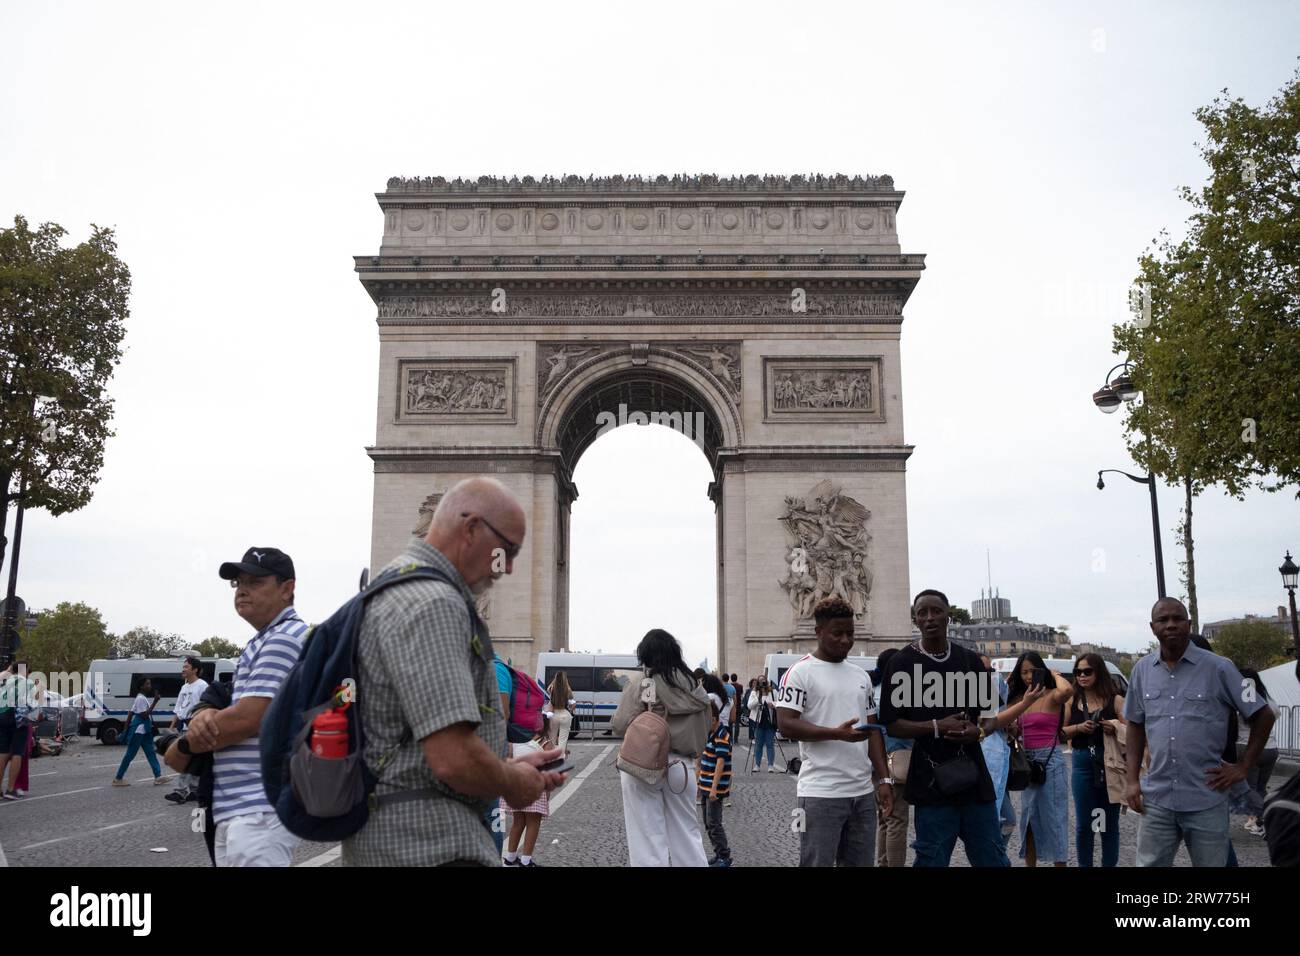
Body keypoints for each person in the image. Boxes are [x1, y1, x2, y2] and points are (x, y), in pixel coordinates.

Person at [342, 479, 565, 867]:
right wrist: (513, 783)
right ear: (472, 528)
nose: (509, 566)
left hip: (396, 831)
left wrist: (503, 767)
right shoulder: (434, 603)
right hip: (428, 843)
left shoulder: (395, 582)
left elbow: (417, 748)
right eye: (507, 549)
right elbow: (450, 759)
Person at [1124, 598, 1275, 867]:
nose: (1171, 625)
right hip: (1157, 798)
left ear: (1188, 623)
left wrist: (1244, 766)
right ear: (1152, 627)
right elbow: (1135, 724)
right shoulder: (1141, 671)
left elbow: (1263, 713)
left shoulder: (1220, 667)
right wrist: (1131, 780)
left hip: (1206, 798)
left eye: (1177, 618)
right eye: (1163, 620)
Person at [184, 546, 307, 866]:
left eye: (255, 582)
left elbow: (249, 718)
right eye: (238, 583)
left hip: (259, 811)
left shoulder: (283, 637)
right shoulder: (263, 639)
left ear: (287, 588)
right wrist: (209, 715)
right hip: (243, 810)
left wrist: (191, 737)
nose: (242, 591)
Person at [879, 590, 1009, 868]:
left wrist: (981, 732)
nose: (929, 618)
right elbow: (892, 725)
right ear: (915, 620)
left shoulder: (970, 661)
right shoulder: (901, 663)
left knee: (993, 857)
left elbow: (990, 715)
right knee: (931, 859)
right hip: (930, 780)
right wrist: (937, 726)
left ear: (948, 615)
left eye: (936, 611)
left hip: (974, 777)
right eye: (922, 613)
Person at [775, 597, 893, 867]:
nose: (845, 640)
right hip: (819, 794)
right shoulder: (798, 673)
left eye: (850, 633)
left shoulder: (861, 676)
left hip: (862, 793)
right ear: (818, 633)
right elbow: (785, 723)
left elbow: (873, 732)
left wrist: (884, 780)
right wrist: (835, 734)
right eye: (837, 633)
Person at [611, 627, 711, 867]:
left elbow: (620, 724)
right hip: (683, 767)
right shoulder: (696, 688)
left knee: (647, 838)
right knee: (687, 836)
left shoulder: (646, 684)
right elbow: (705, 729)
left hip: (644, 764)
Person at [1007, 652, 1072, 867]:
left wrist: (1054, 674)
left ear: (1041, 671)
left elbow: (1067, 690)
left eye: (1032, 671)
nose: (1027, 676)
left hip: (1051, 762)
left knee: (1055, 820)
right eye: (1023, 672)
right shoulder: (1019, 699)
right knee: (1028, 822)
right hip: (1027, 762)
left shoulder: (1052, 695)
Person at [1062, 653, 1125, 867]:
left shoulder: (1115, 701)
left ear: (1099, 673)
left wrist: (1115, 727)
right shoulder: (1072, 700)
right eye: (1078, 672)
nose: (1081, 676)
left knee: (1107, 824)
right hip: (1082, 765)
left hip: (1109, 764)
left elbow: (1135, 734)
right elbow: (1059, 733)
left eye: (1087, 671)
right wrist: (1078, 728)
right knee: (1084, 825)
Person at [872, 648, 911, 866]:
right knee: (896, 820)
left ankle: (883, 864)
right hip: (896, 760)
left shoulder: (874, 689)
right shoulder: (896, 692)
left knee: (885, 820)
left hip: (876, 763)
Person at [1236, 667, 1280, 838]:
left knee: (1249, 789)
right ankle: (1258, 819)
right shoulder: (1268, 700)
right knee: (1261, 788)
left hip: (1250, 748)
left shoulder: (1240, 700)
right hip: (1271, 749)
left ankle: (1267, 818)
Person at [504, 715, 552, 867]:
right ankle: (526, 860)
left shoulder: (515, 741)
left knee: (517, 822)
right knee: (533, 823)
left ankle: (510, 857)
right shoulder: (545, 744)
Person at [698, 674, 734, 867]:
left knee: (714, 823)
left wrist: (713, 789)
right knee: (707, 823)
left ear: (713, 719)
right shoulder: (710, 734)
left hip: (715, 788)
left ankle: (724, 856)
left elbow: (720, 763)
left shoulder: (721, 735)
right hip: (705, 785)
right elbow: (704, 760)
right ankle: (718, 853)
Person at [165, 656, 209, 804]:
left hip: (195, 726)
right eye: (183, 667)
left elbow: (206, 706)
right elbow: (178, 709)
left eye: (186, 667)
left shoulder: (202, 686)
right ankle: (194, 790)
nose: (183, 669)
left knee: (185, 758)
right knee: (193, 759)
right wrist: (171, 727)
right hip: (183, 726)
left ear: (195, 669)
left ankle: (180, 791)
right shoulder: (184, 687)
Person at [112, 678, 166, 786]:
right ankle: (118, 778)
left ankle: (158, 776)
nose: (149, 686)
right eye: (147, 684)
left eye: (149, 684)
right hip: (139, 731)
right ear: (141, 686)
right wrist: (155, 702)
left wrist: (125, 729)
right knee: (130, 755)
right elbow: (144, 715)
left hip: (144, 730)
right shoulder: (141, 699)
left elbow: (130, 714)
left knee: (151, 752)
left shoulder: (140, 698)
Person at [749, 676, 779, 771]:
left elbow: (780, 703)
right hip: (758, 721)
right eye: (761, 681)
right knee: (758, 744)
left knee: (770, 744)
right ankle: (757, 765)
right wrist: (758, 698)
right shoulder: (755, 693)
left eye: (764, 681)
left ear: (767, 681)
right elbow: (749, 706)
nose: (763, 683)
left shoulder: (773, 692)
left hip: (770, 722)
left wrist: (773, 705)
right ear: (758, 683)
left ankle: (770, 765)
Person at [546, 671, 574, 755]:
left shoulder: (551, 688)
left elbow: (548, 689)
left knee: (552, 738)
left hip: (554, 715)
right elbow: (573, 703)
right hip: (565, 714)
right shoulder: (567, 689)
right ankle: (560, 759)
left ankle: (551, 758)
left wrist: (555, 680)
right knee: (563, 739)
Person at [743, 678, 758, 744]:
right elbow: (745, 700)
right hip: (750, 709)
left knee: (756, 724)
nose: (754, 684)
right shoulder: (748, 691)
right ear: (751, 684)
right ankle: (752, 737)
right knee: (751, 724)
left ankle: (756, 737)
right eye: (753, 683)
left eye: (756, 683)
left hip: (756, 709)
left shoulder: (758, 691)